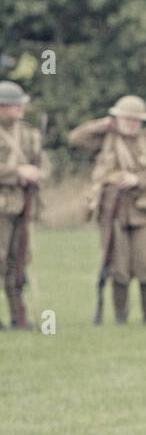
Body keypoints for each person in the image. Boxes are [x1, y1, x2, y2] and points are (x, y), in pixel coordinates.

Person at [69, 95, 146, 326]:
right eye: (126, 119)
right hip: (111, 210)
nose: (131, 124)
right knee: (118, 268)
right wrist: (103, 124)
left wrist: (138, 179)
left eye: (136, 120)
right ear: (116, 118)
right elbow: (76, 138)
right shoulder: (106, 137)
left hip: (142, 210)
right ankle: (120, 318)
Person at [0, 81, 50, 330]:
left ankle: (18, 316)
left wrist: (38, 174)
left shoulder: (30, 134)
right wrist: (17, 172)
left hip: (22, 206)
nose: (21, 108)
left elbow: (44, 164)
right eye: (14, 104)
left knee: (18, 262)